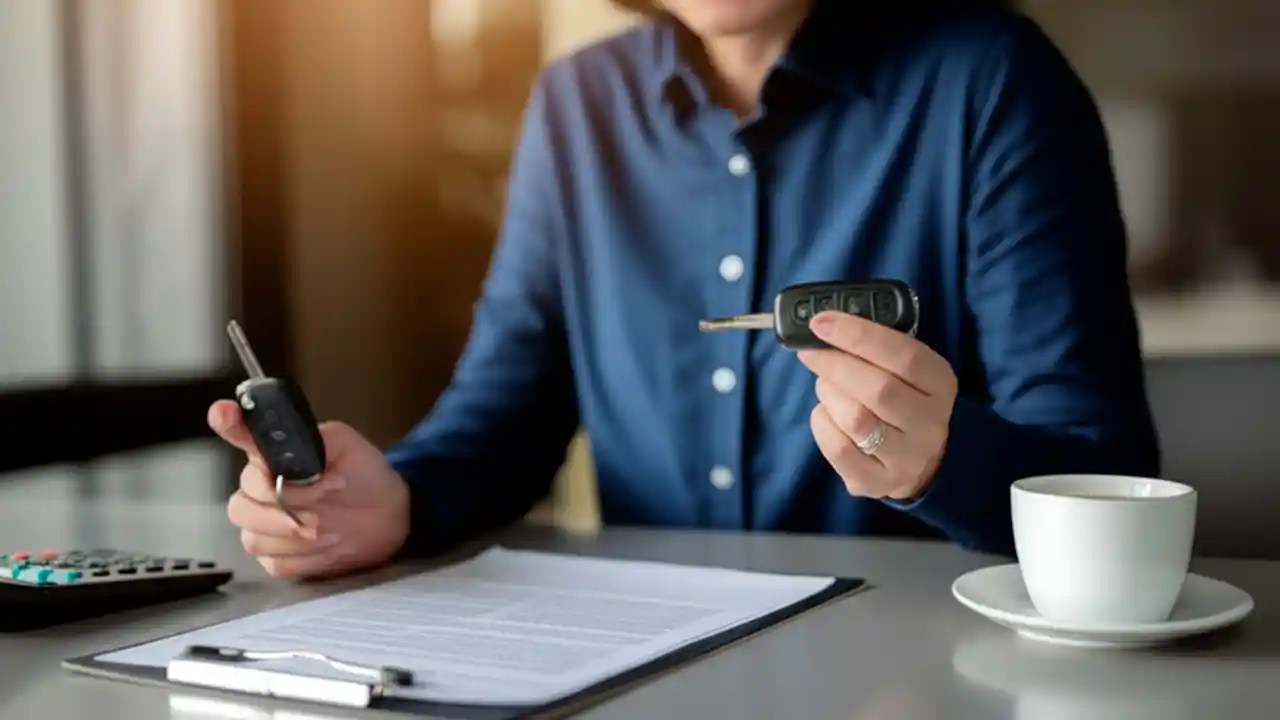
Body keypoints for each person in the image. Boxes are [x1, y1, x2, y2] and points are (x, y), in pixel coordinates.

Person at [209, 0, 1159, 579]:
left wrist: (940, 462)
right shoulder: (576, 104)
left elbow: (1104, 472)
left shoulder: (992, 80)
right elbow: (505, 417)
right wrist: (398, 500)